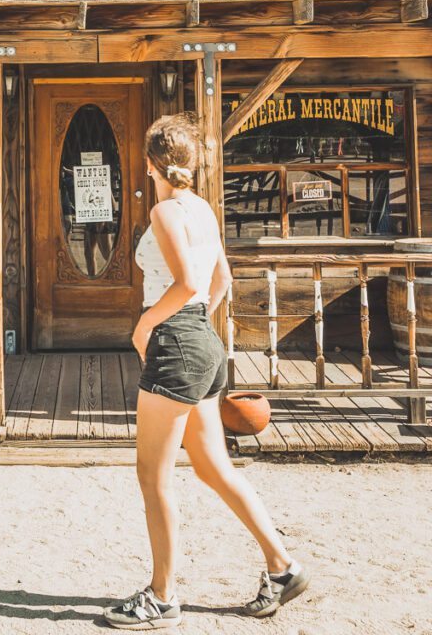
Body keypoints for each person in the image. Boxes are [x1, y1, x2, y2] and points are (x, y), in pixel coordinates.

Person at [103, 114, 309, 628]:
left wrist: (146, 325)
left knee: (153, 478)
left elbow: (190, 281)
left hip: (176, 341)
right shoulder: (205, 211)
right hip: (203, 339)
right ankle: (282, 567)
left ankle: (163, 595)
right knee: (216, 469)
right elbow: (221, 283)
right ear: (191, 163)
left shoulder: (166, 211)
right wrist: (195, 327)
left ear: (150, 162)